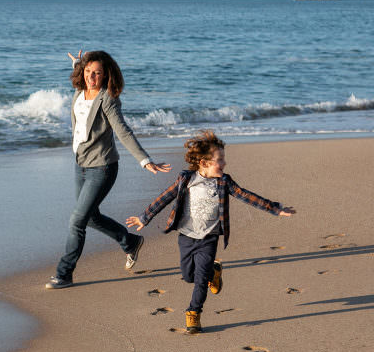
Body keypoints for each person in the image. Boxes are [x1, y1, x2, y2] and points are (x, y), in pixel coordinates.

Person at [126, 130, 296, 333]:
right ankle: (214, 273)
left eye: (223, 160)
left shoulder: (224, 182)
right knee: (188, 276)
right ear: (203, 162)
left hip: (209, 238)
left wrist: (274, 208)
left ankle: (193, 313)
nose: (224, 164)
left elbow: (246, 196)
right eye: (220, 160)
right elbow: (165, 197)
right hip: (187, 237)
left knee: (199, 280)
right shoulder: (186, 179)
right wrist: (145, 217)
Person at [45, 50, 171, 290]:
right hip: (81, 165)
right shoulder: (80, 91)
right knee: (90, 218)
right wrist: (77, 65)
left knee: (77, 220)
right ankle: (130, 242)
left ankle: (64, 273)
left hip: (102, 167)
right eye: (88, 72)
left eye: (98, 73)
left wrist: (144, 160)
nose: (92, 77)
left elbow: (123, 131)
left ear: (106, 76)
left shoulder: (108, 99)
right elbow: (82, 87)